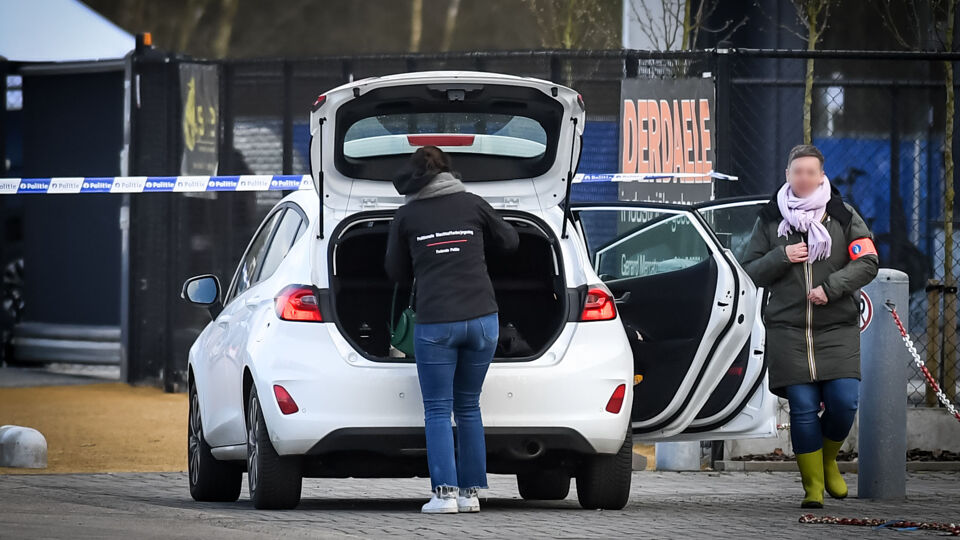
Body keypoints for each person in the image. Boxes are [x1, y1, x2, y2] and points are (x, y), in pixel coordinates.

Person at [741, 144, 878, 509]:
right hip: (788, 328)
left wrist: (831, 288)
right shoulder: (771, 219)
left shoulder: (843, 215)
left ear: (821, 176)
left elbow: (868, 262)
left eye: (810, 172)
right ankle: (812, 488)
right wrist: (780, 256)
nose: (803, 178)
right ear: (787, 175)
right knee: (802, 407)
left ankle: (828, 459)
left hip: (836, 328)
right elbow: (749, 269)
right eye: (796, 172)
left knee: (844, 402)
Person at [384, 146, 519, 514]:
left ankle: (444, 495)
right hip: (483, 321)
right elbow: (511, 241)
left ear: (413, 178)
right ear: (449, 172)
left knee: (439, 410)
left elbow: (395, 273)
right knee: (469, 406)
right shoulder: (473, 203)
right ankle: (470, 495)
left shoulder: (407, 215)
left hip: (437, 323)